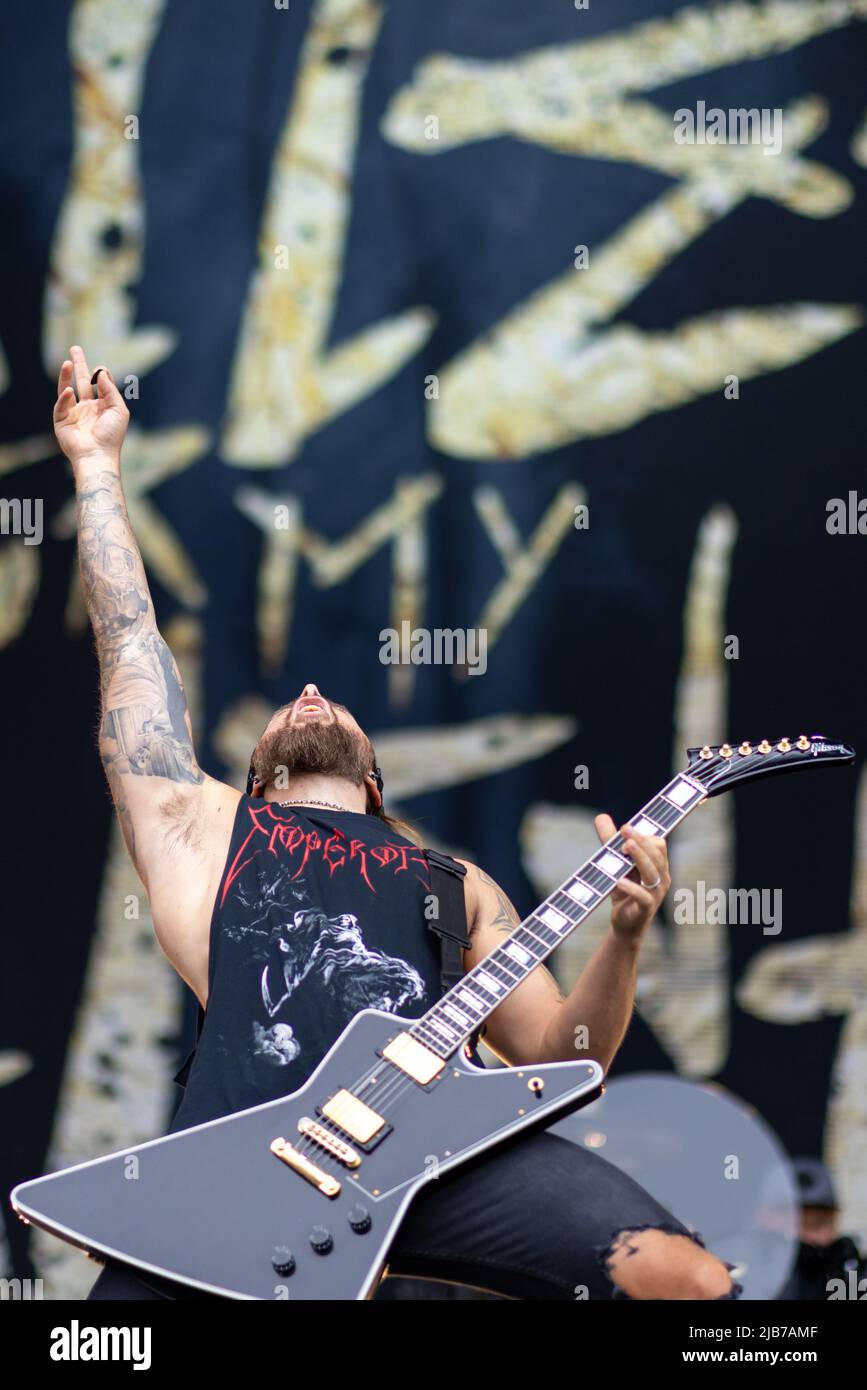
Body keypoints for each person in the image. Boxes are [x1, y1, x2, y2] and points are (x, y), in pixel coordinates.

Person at [55, 345, 740, 1301]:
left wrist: (624, 938)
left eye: (329, 697)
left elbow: (560, 1060)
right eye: (287, 704)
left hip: (434, 1162)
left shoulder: (453, 884)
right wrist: (95, 468)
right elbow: (130, 638)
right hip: (238, 1184)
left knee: (690, 1281)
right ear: (254, 779)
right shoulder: (204, 825)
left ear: (376, 782)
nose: (306, 689)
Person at [777, 1158, 866, 1300]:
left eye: (816, 1224)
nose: (802, 1236)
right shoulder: (744, 1274)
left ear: (834, 1222)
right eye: (790, 1224)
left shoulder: (849, 1275)